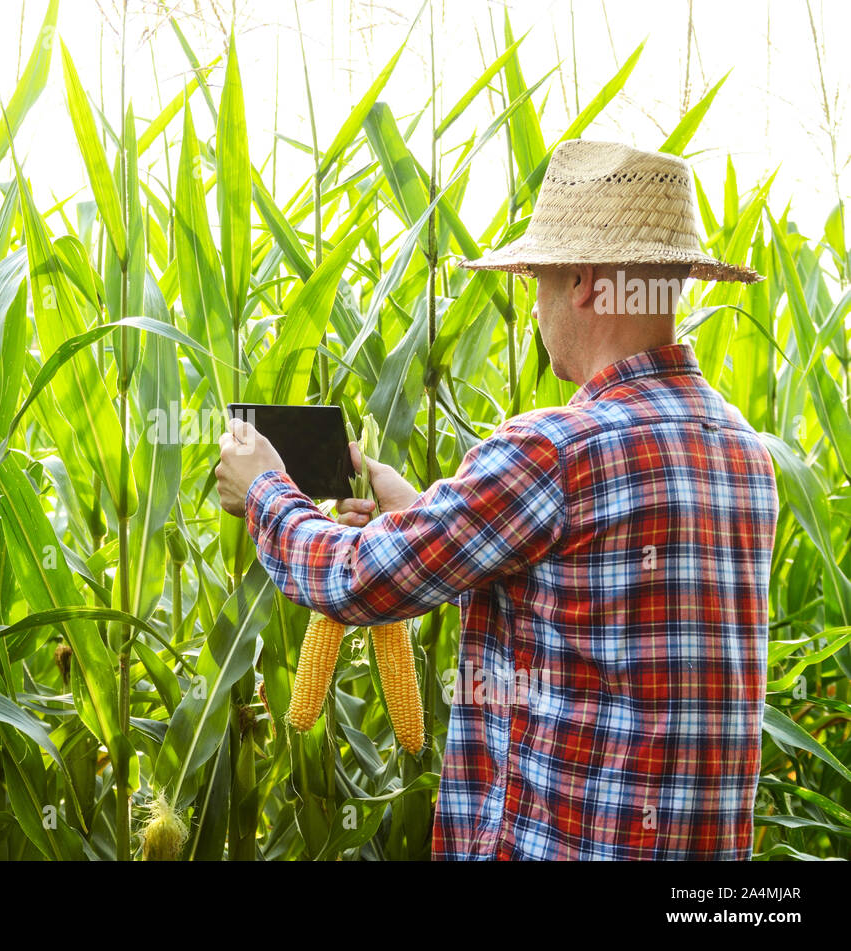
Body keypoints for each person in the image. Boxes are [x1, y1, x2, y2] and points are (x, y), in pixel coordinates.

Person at [214, 140, 778, 860]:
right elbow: (586, 613)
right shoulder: (744, 452)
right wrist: (419, 508)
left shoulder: (557, 449)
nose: (535, 305)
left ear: (580, 281)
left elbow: (356, 580)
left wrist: (264, 488)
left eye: (536, 282)